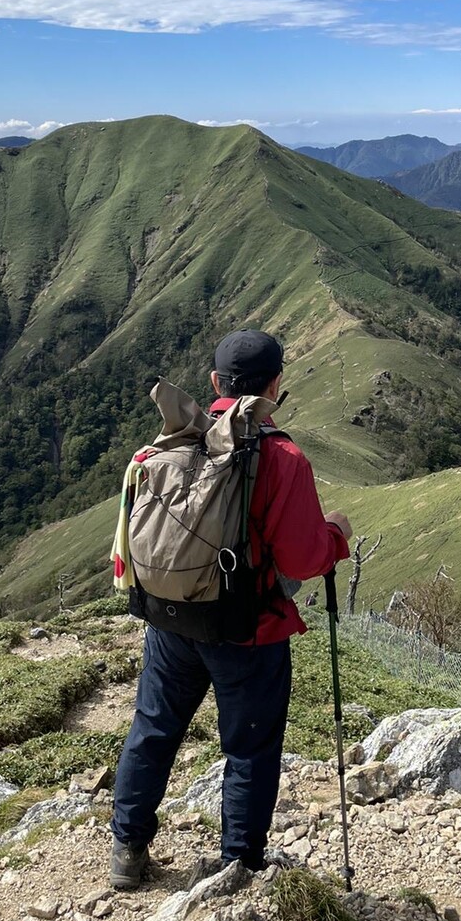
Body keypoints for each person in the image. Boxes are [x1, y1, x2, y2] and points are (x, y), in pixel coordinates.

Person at [110, 330, 352, 889]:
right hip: (249, 631)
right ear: (275, 386)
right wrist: (336, 535)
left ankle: (127, 849)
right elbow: (304, 555)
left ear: (215, 384)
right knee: (250, 745)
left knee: (154, 727)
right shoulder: (282, 457)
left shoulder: (171, 443)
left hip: (171, 618)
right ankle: (239, 863)